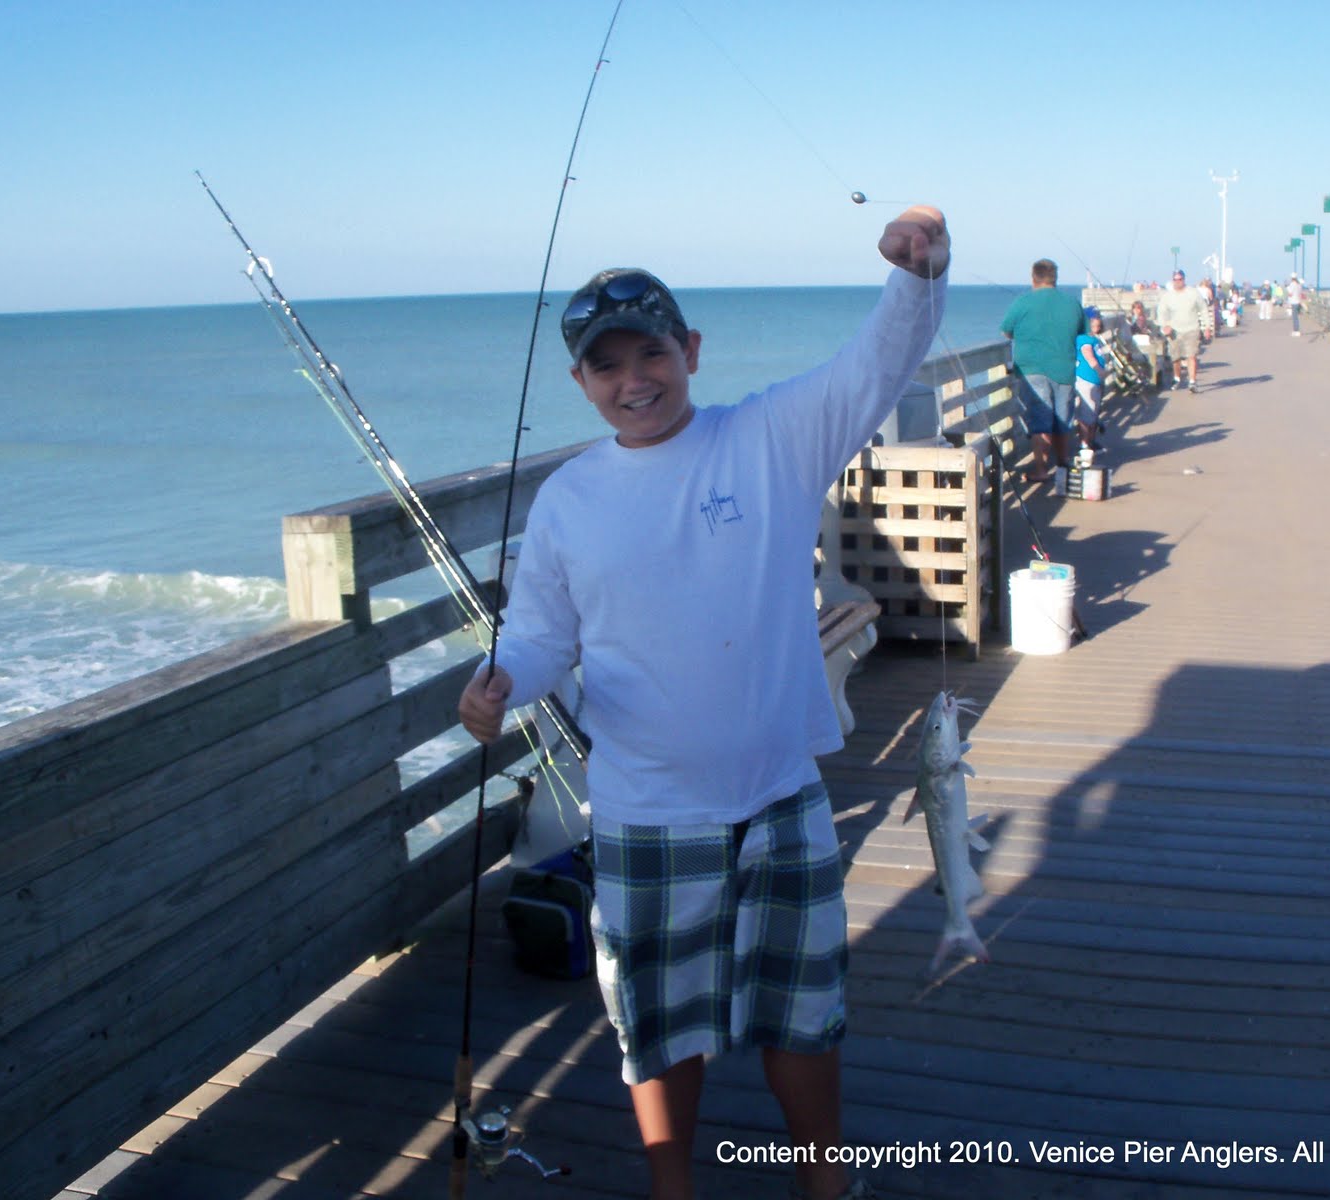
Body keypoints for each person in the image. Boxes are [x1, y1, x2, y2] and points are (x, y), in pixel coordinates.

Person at [459, 207, 950, 1200]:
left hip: (778, 795)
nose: (633, 378)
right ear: (580, 383)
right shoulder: (568, 502)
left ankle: (826, 1184)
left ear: (690, 349)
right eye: (607, 365)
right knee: (657, 1030)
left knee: (803, 1014)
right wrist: (503, 681)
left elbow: (873, 369)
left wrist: (916, 277)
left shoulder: (767, 438)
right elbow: (546, 635)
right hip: (644, 813)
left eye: (652, 351)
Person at [999, 258, 1085, 475]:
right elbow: (1081, 333)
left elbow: (1006, 331)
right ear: (1055, 278)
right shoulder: (1071, 303)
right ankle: (1063, 464)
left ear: (1033, 278)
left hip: (1031, 369)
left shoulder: (1022, 302)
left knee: (1040, 419)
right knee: (1063, 418)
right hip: (1064, 368)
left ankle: (1041, 469)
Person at [1154, 269, 1210, 392]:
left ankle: (1192, 382)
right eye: (1175, 279)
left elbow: (1203, 309)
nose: (1178, 282)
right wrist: (1164, 326)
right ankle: (1177, 378)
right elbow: (1161, 313)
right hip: (1175, 331)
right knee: (1176, 358)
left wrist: (1207, 327)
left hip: (1192, 329)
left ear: (1184, 280)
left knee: (1191, 356)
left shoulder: (1193, 293)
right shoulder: (1167, 296)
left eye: (1180, 279)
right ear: (1172, 280)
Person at [1073, 307, 1107, 454]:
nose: (1097, 322)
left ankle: (1090, 442)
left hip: (1095, 380)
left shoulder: (1094, 338)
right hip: (1087, 379)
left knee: (1093, 412)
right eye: (1093, 320)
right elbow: (1087, 354)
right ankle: (1085, 444)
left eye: (1098, 320)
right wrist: (1098, 369)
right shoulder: (1084, 339)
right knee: (1087, 412)